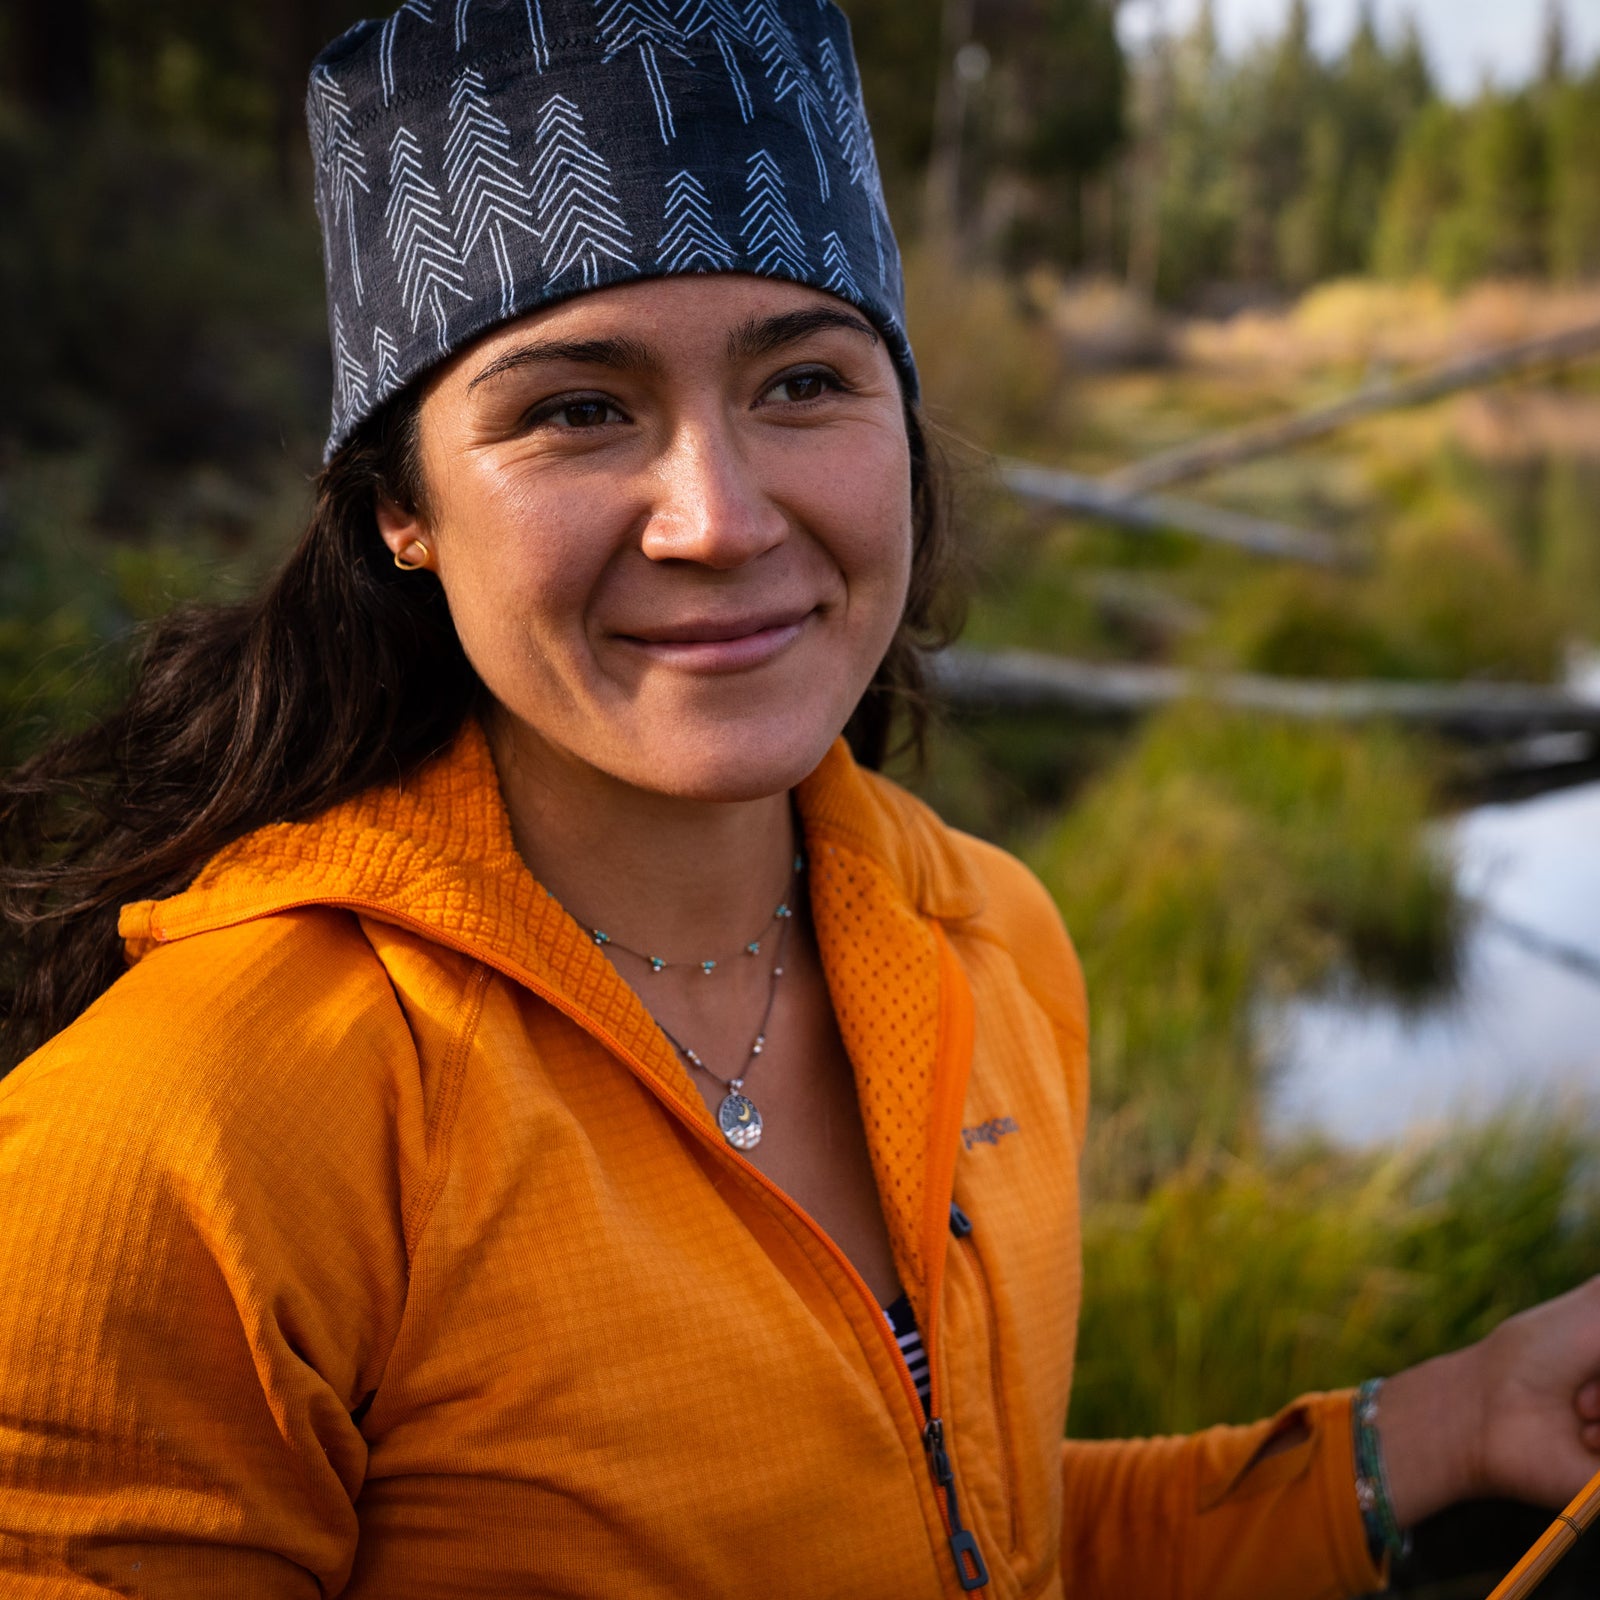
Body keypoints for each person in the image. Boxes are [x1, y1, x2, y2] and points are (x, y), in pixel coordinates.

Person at [2, 4, 1599, 1596]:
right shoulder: (194, 1134)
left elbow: (980, 1539)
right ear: (400, 511)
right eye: (577, 409)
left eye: (804, 383)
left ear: (900, 431)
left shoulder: (986, 942)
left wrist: (1445, 1426)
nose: (717, 517)